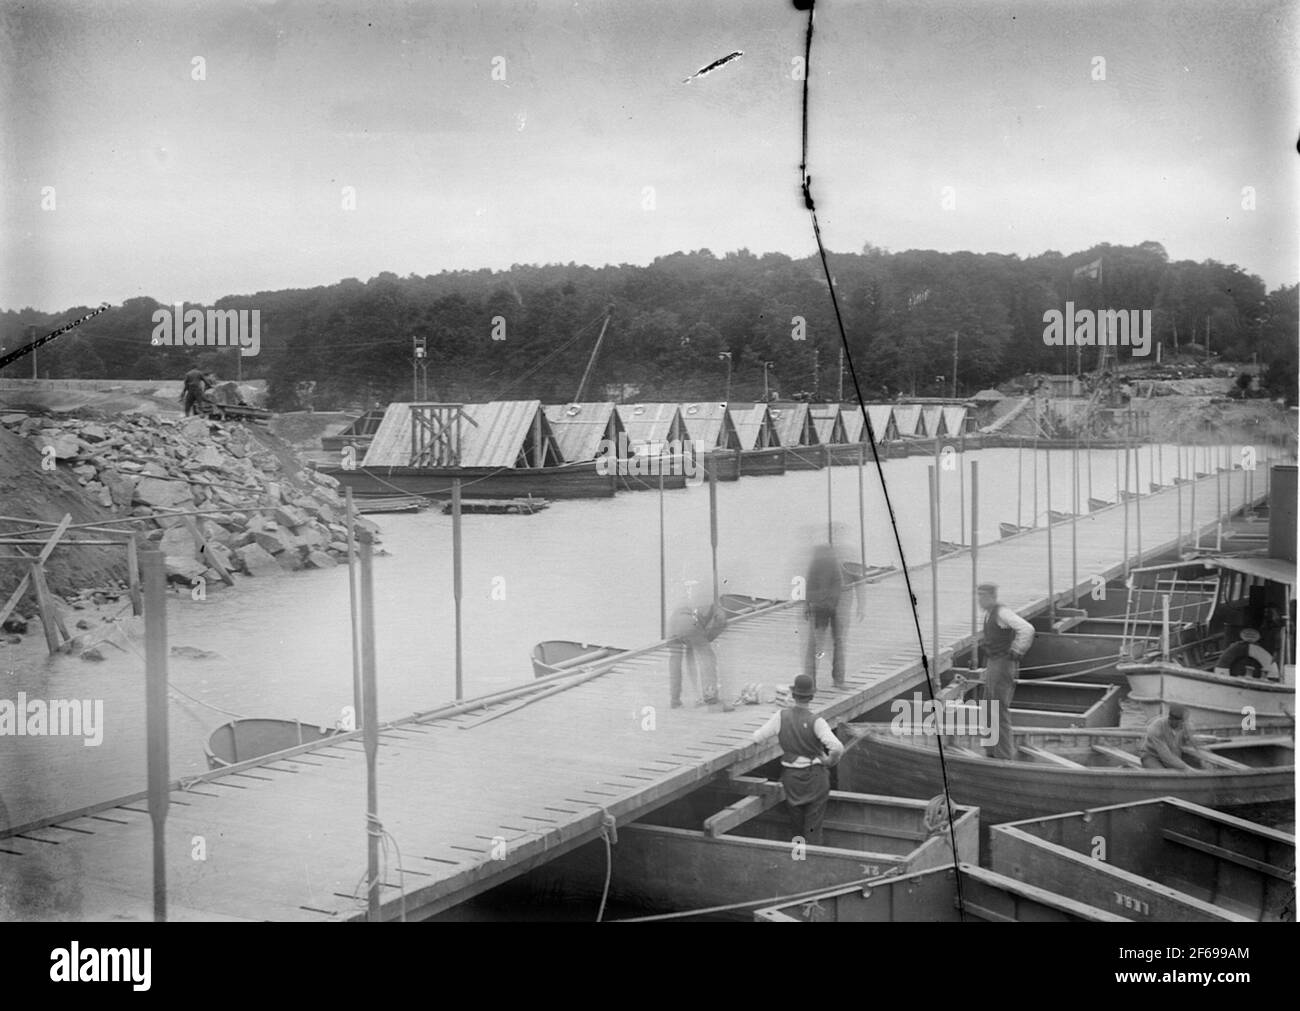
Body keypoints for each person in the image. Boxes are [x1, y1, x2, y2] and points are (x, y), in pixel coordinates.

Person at [751, 674, 844, 846]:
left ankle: (798, 859)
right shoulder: (817, 721)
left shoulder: (781, 716)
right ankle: (812, 862)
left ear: (793, 695)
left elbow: (757, 737)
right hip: (816, 779)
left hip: (792, 779)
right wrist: (829, 761)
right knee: (812, 827)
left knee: (797, 826)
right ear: (811, 696)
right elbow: (837, 747)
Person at [976, 582, 1034, 761]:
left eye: (983, 596)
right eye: (978, 596)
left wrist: (1018, 649)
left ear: (993, 597)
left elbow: (1027, 629)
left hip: (1003, 664)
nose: (980, 600)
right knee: (987, 707)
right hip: (993, 663)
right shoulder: (989, 614)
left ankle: (1004, 757)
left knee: (999, 710)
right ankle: (991, 753)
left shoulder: (1001, 613)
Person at [803, 542, 864, 688]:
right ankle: (820, 682)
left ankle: (835, 680)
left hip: (828, 608)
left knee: (828, 645)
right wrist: (809, 604)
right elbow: (812, 584)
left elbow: (815, 584)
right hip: (825, 608)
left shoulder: (823, 563)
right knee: (825, 645)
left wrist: (811, 604)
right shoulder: (825, 563)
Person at [667, 599, 729, 711]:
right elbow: (721, 622)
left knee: (675, 663)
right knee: (708, 658)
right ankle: (710, 697)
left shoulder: (696, 603)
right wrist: (707, 639)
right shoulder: (717, 609)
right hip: (689, 624)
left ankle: (674, 700)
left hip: (672, 624)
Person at [1139, 704, 1203, 769]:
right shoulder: (1156, 729)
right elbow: (1166, 756)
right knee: (1164, 775)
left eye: (1185, 721)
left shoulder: (1184, 725)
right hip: (1153, 756)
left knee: (1198, 763)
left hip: (1174, 755)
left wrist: (1202, 756)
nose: (1185, 723)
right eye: (1183, 721)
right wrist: (1188, 769)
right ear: (1173, 720)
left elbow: (1193, 743)